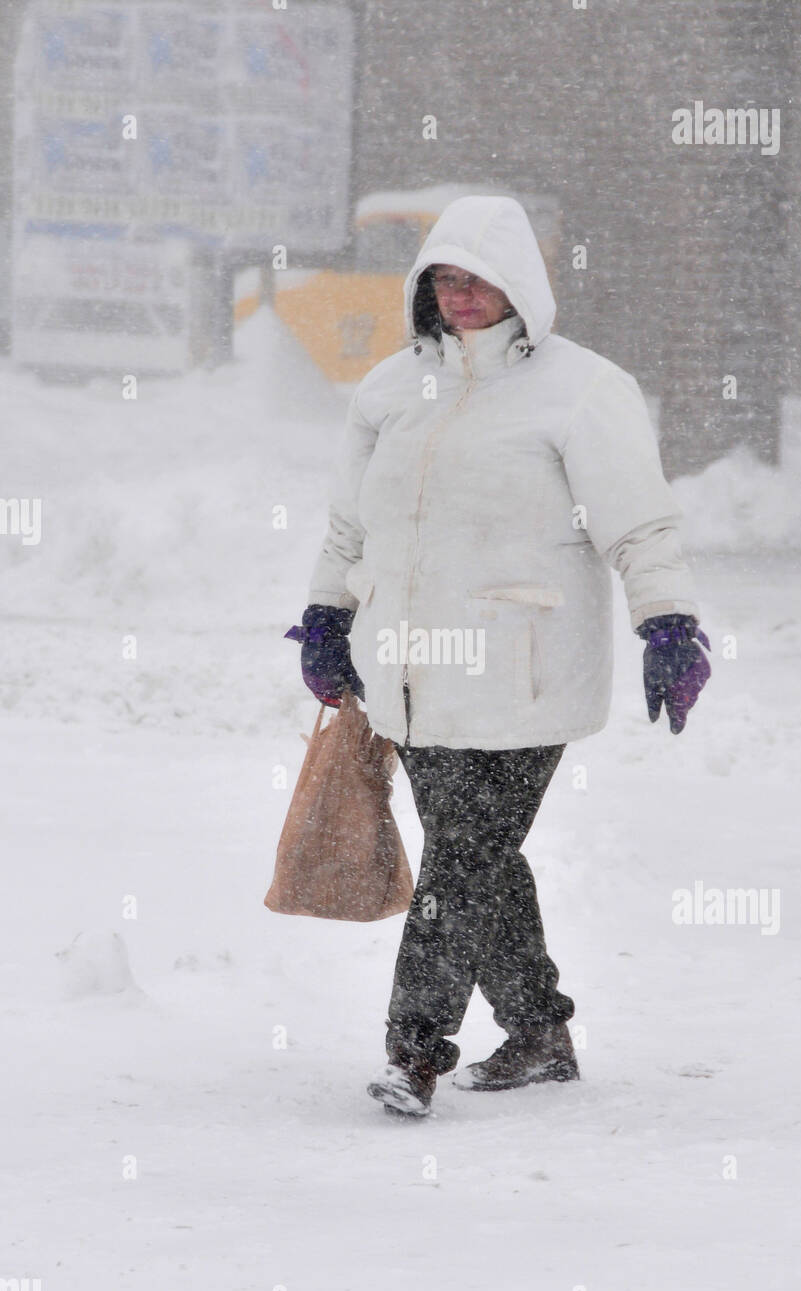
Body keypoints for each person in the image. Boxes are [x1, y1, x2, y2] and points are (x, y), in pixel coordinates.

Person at [287, 195, 711, 1118]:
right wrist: (325, 614)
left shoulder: (582, 389)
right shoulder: (390, 391)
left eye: (478, 278)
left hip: (526, 674)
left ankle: (413, 1051)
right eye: (444, 278)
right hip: (410, 676)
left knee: (465, 858)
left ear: (521, 285)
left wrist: (667, 620)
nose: (461, 295)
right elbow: (350, 526)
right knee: (472, 859)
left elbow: (637, 523)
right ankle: (538, 1032)